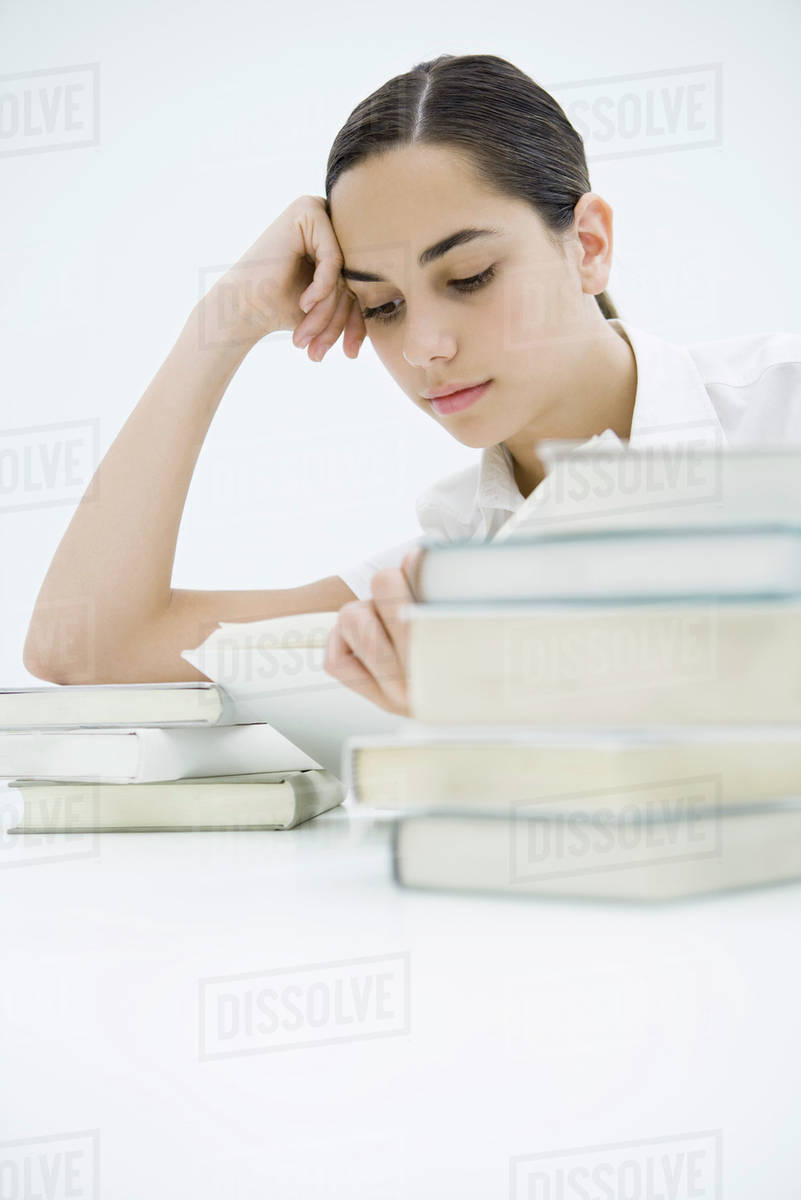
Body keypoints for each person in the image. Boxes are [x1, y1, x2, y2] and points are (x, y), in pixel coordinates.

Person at [23, 53, 801, 721]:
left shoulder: (781, 409)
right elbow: (86, 645)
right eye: (382, 306)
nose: (425, 347)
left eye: (469, 276)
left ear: (588, 245)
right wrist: (217, 325)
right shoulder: (450, 572)